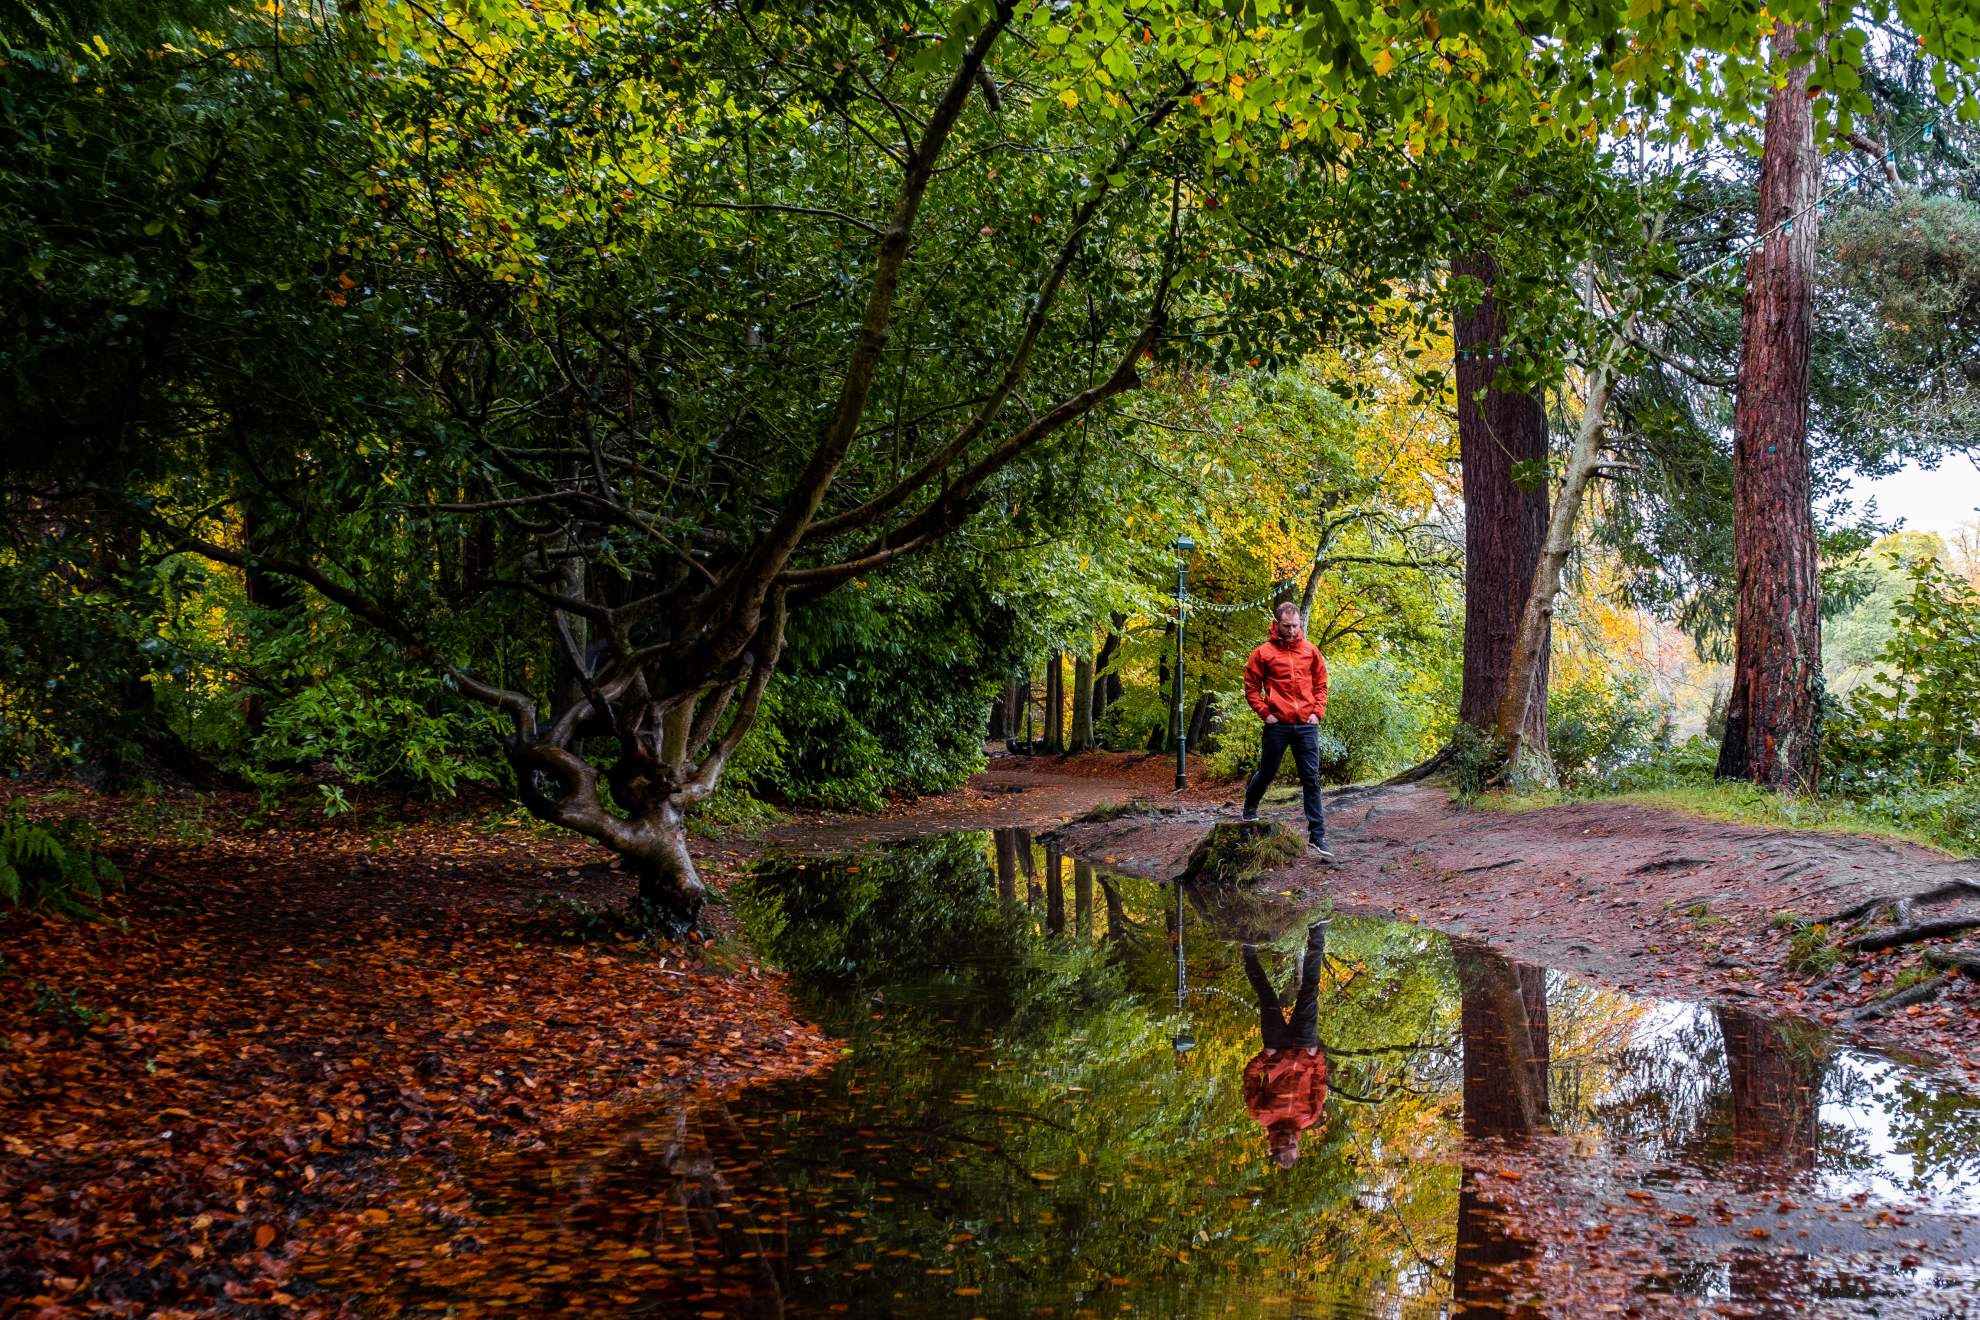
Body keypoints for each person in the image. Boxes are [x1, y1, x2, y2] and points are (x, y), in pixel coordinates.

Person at [1240, 601, 1332, 860]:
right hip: (1277, 724)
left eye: (1295, 626)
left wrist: (1317, 712)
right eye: (1287, 626)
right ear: (1276, 624)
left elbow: (1321, 684)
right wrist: (1265, 714)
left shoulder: (1310, 651)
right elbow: (1251, 688)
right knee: (1267, 772)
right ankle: (1250, 808)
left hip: (1306, 724)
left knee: (1311, 778)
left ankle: (1317, 836)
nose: (1292, 630)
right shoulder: (1262, 653)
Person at [1242, 920, 1331, 1169]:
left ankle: (1248, 949)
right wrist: (1315, 1056)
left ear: (1274, 1145)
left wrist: (1264, 1056)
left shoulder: (1261, 1114)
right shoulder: (1308, 1117)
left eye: (1286, 1144)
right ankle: (1317, 933)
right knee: (1310, 991)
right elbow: (1319, 1083)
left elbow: (1250, 1077)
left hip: (1277, 1047)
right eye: (1294, 1145)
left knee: (1267, 996)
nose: (1291, 1140)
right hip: (1304, 1048)